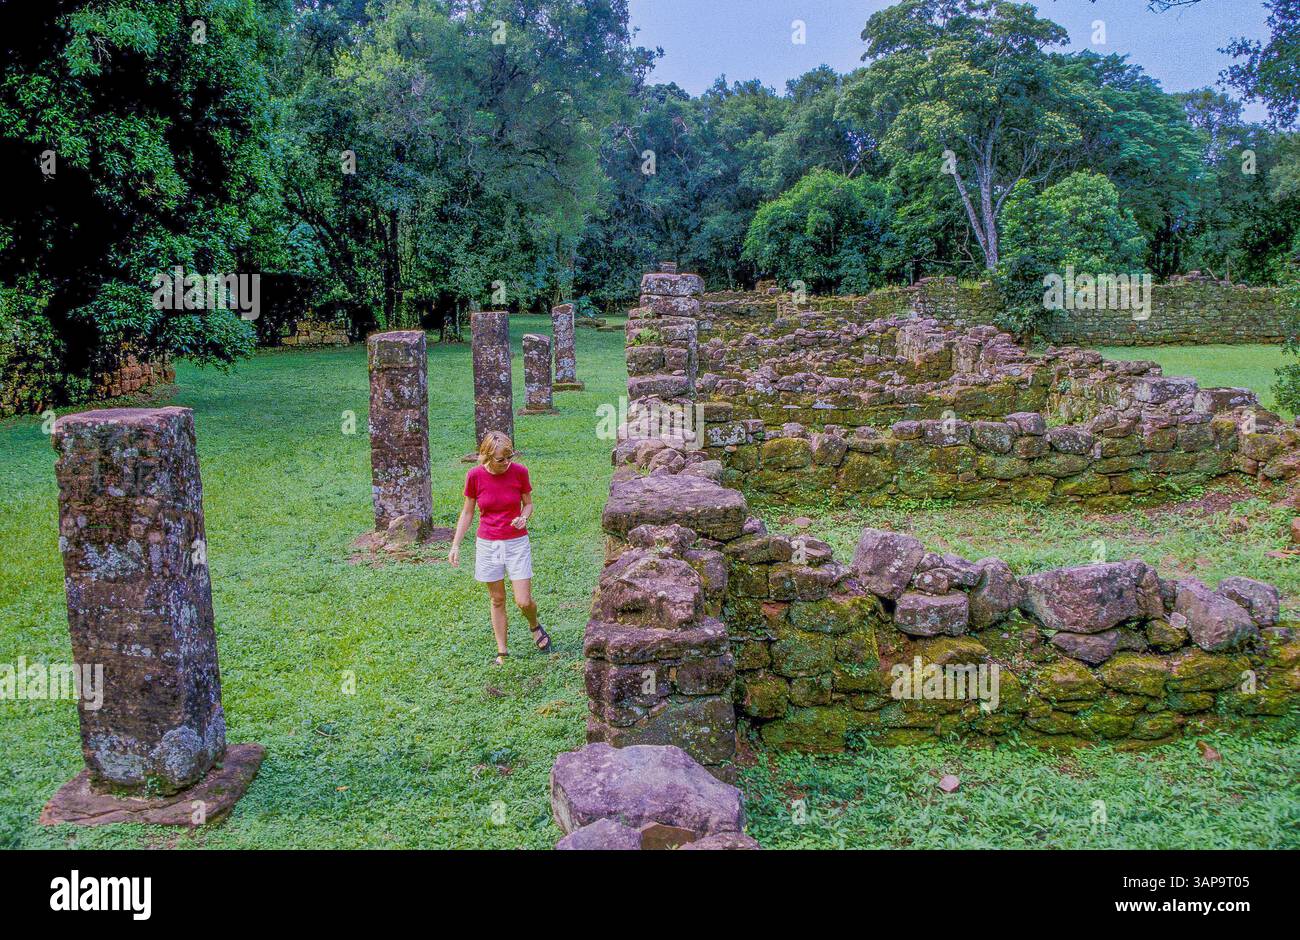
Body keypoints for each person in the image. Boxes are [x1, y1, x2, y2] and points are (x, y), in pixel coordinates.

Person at [448, 431, 551, 665]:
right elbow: (467, 512)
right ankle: (502, 651)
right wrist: (455, 544)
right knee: (497, 599)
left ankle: (534, 625)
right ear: (486, 456)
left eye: (509, 457)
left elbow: (528, 504)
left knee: (523, 600)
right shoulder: (474, 476)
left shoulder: (520, 472)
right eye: (500, 459)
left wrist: (524, 517)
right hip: (488, 543)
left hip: (516, 542)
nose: (506, 463)